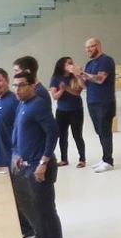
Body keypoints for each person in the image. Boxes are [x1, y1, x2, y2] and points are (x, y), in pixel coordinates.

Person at [11, 70, 68, 238]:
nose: (17, 89)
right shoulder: (22, 105)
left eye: (21, 85)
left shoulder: (38, 105)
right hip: (28, 165)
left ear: (32, 86)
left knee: (47, 213)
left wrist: (43, 162)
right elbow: (22, 133)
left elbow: (53, 133)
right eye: (15, 86)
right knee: (38, 212)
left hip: (40, 168)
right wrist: (19, 153)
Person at [0, 67, 34, 238]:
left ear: (7, 81)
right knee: (8, 197)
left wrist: (19, 154)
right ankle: (20, 228)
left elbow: (22, 130)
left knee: (21, 197)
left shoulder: (14, 102)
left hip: (12, 160)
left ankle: (30, 230)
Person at [81, 37, 117, 172]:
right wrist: (78, 76)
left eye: (90, 47)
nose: (88, 50)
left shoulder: (106, 60)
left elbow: (100, 79)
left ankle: (108, 161)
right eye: (86, 48)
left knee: (105, 130)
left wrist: (83, 74)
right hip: (92, 101)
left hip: (105, 101)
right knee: (99, 131)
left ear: (98, 46)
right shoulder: (89, 64)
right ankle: (104, 158)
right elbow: (84, 85)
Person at [48, 56, 86, 168]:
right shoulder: (55, 78)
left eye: (72, 63)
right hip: (62, 111)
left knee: (77, 135)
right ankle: (64, 159)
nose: (71, 65)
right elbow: (55, 96)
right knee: (62, 136)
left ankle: (82, 159)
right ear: (62, 66)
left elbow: (77, 92)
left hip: (76, 110)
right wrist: (62, 90)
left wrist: (66, 88)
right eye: (69, 63)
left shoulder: (75, 77)